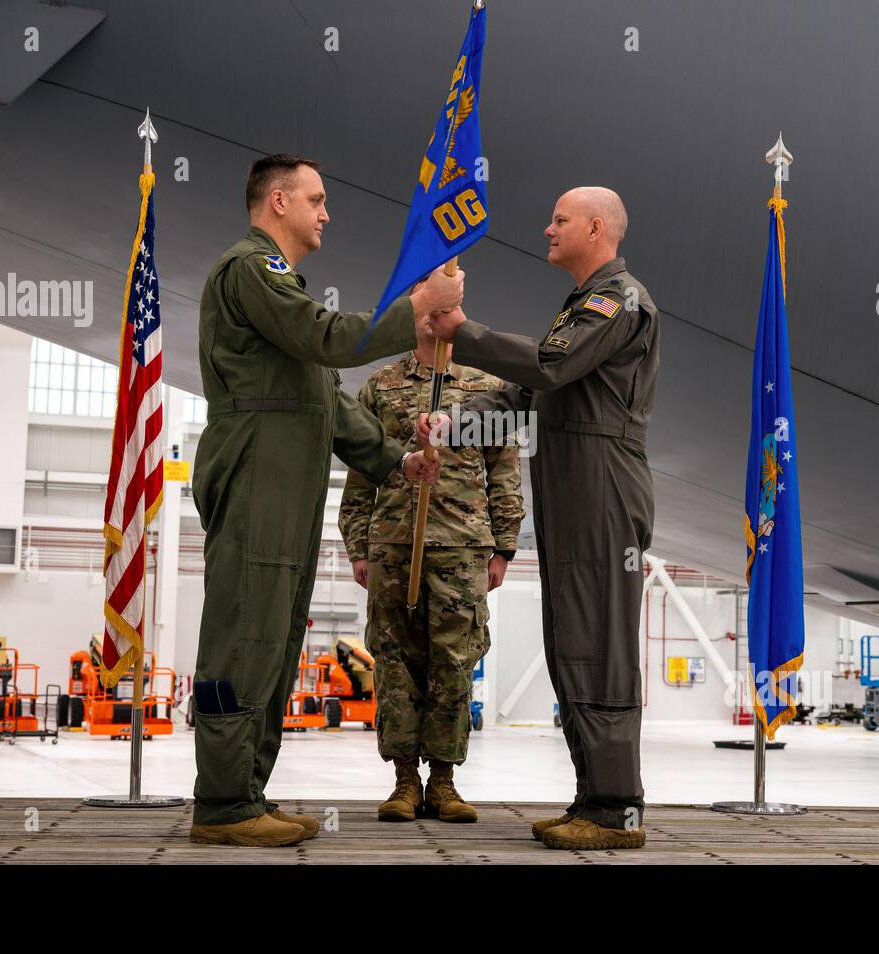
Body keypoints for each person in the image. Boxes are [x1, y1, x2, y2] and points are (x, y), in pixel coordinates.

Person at [189, 154, 461, 848]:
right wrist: (419, 308)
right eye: (316, 199)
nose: (326, 212)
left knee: (274, 640)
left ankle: (246, 792)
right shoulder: (253, 270)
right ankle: (223, 803)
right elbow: (328, 340)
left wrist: (397, 460)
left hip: (285, 479)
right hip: (258, 474)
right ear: (277, 201)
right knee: (245, 635)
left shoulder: (280, 293)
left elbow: (327, 404)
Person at [420, 186, 659, 850]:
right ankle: (594, 796)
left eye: (558, 220)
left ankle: (616, 808)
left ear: (594, 226)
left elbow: (549, 369)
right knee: (573, 636)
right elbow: (525, 393)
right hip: (574, 486)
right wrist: (452, 421)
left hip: (602, 486)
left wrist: (462, 332)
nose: (547, 229)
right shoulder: (581, 306)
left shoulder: (619, 301)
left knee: (600, 641)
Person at [338, 320, 524, 823]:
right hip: (394, 545)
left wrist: (503, 547)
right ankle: (403, 781)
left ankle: (443, 781)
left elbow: (504, 471)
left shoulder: (485, 389)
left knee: (454, 661)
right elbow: (360, 472)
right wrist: (359, 548)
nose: (433, 318)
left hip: (462, 550)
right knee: (394, 660)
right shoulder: (380, 386)